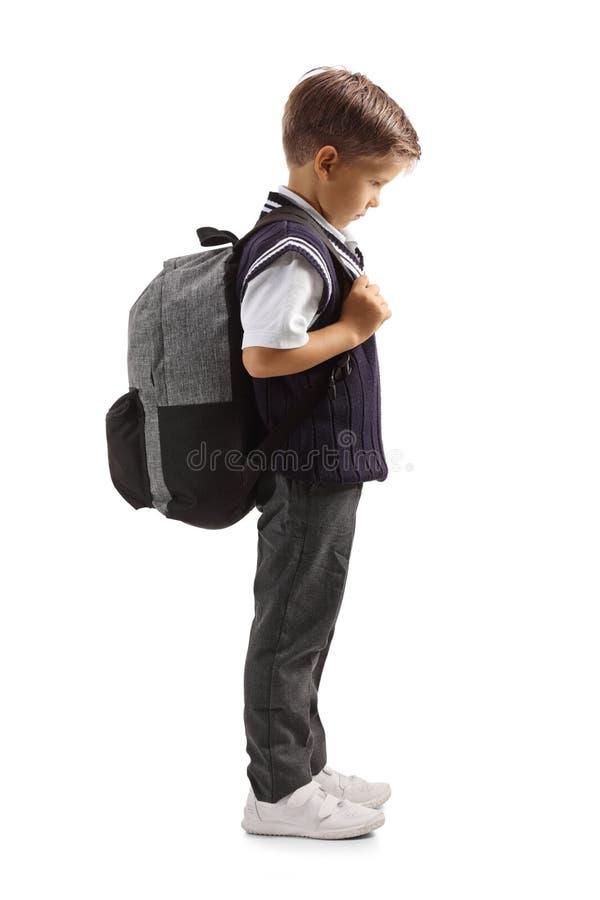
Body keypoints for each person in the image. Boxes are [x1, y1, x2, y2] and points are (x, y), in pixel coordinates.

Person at [237, 65, 421, 839]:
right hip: (306, 470)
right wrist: (353, 330)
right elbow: (263, 355)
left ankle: (303, 764)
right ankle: (276, 793)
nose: (377, 200)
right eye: (375, 181)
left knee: (308, 624)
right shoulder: (293, 248)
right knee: (289, 628)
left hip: (324, 470)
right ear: (328, 162)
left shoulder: (316, 239)